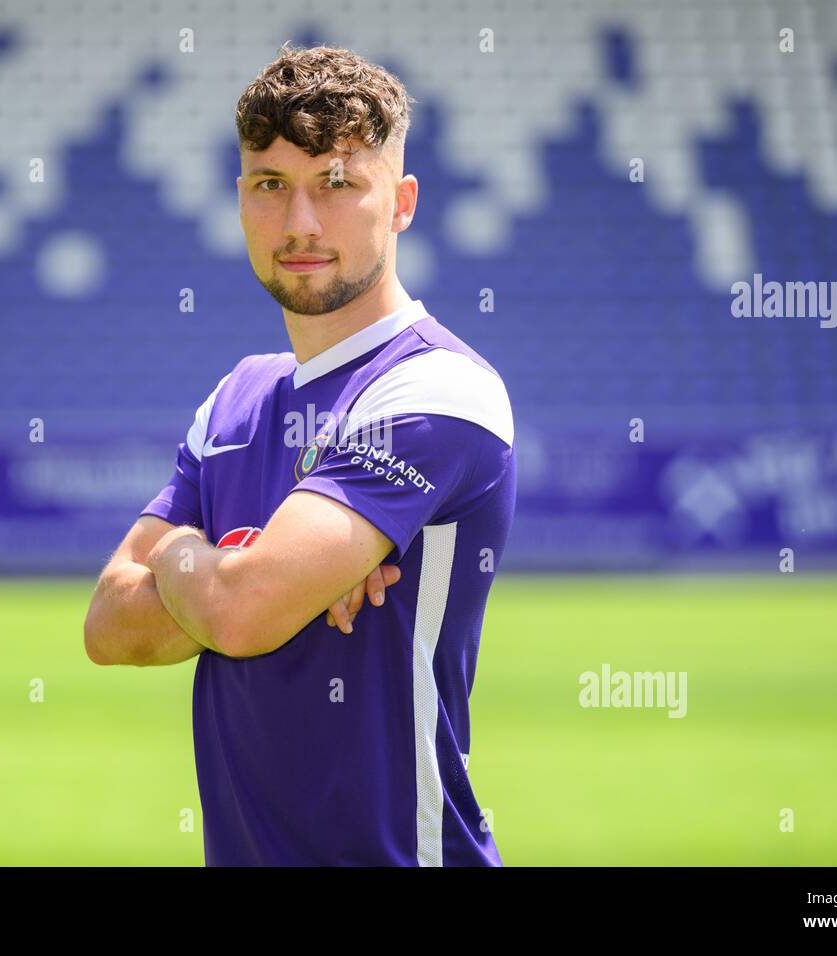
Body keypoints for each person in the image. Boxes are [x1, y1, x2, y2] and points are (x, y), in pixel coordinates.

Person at [84, 43, 515, 866]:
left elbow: (242, 616)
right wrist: (239, 567)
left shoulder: (436, 390)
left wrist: (197, 565)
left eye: (338, 184)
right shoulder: (238, 396)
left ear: (402, 203)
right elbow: (109, 625)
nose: (301, 224)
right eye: (270, 186)